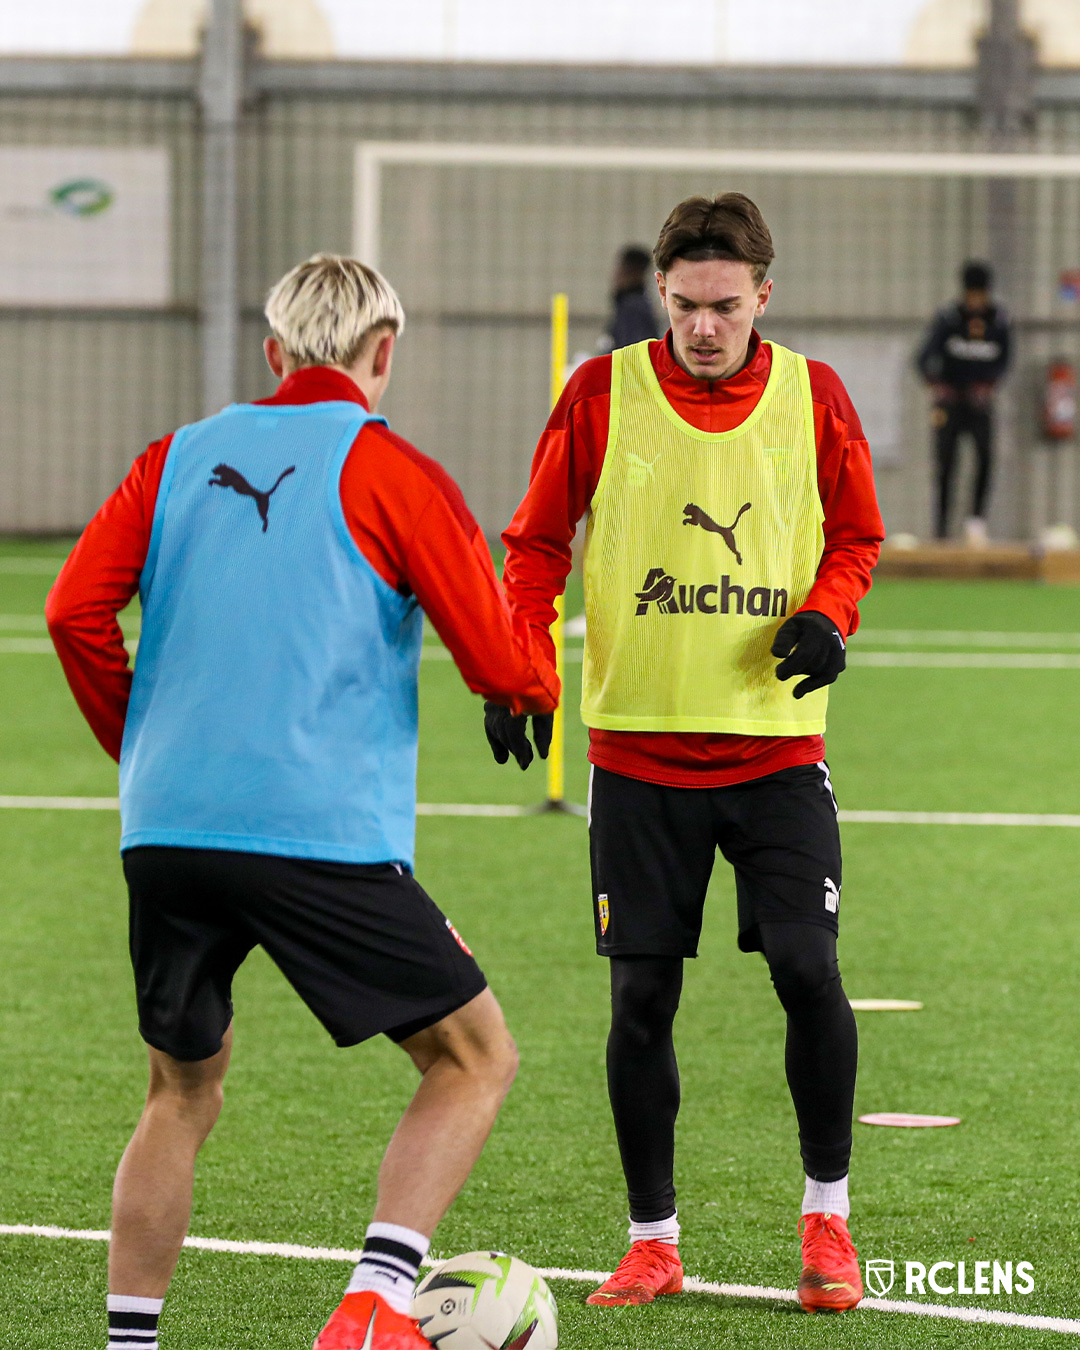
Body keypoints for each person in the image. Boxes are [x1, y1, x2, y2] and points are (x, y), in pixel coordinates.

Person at [46, 254, 558, 1350]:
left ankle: (127, 1343)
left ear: (274, 355)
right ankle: (373, 1308)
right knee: (473, 1058)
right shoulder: (393, 471)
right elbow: (501, 662)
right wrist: (530, 684)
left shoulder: (173, 458)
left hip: (168, 830)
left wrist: (142, 749)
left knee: (178, 1095)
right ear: (384, 355)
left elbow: (72, 613)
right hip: (317, 832)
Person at [485, 193, 883, 1314]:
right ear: (660, 294)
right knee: (641, 1002)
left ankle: (828, 1223)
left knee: (809, 971)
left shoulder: (817, 397)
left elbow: (855, 535)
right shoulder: (601, 393)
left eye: (725, 305)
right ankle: (653, 1241)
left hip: (775, 752)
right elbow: (535, 542)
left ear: (765, 293)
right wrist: (520, 667)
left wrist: (829, 616)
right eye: (685, 305)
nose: (704, 327)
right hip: (640, 760)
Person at [916, 259, 1012, 545]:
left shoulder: (999, 320)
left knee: (985, 457)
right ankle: (942, 529)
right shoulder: (948, 319)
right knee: (946, 463)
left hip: (980, 405)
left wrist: (989, 386)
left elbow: (1006, 360)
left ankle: (976, 522)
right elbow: (922, 359)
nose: (976, 300)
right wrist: (938, 387)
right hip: (950, 405)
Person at [599, 245, 663, 352]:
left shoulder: (633, 308)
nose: (615, 275)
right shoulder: (631, 305)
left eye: (620, 269)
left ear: (633, 273)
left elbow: (631, 352)